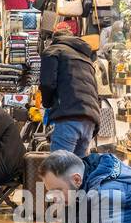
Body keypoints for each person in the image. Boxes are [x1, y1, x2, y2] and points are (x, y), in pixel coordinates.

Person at [39, 27, 101, 158]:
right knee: (78, 170)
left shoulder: (53, 51)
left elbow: (47, 83)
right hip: (90, 119)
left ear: (54, 39)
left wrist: (47, 104)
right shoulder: (86, 57)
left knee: (59, 170)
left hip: (69, 115)